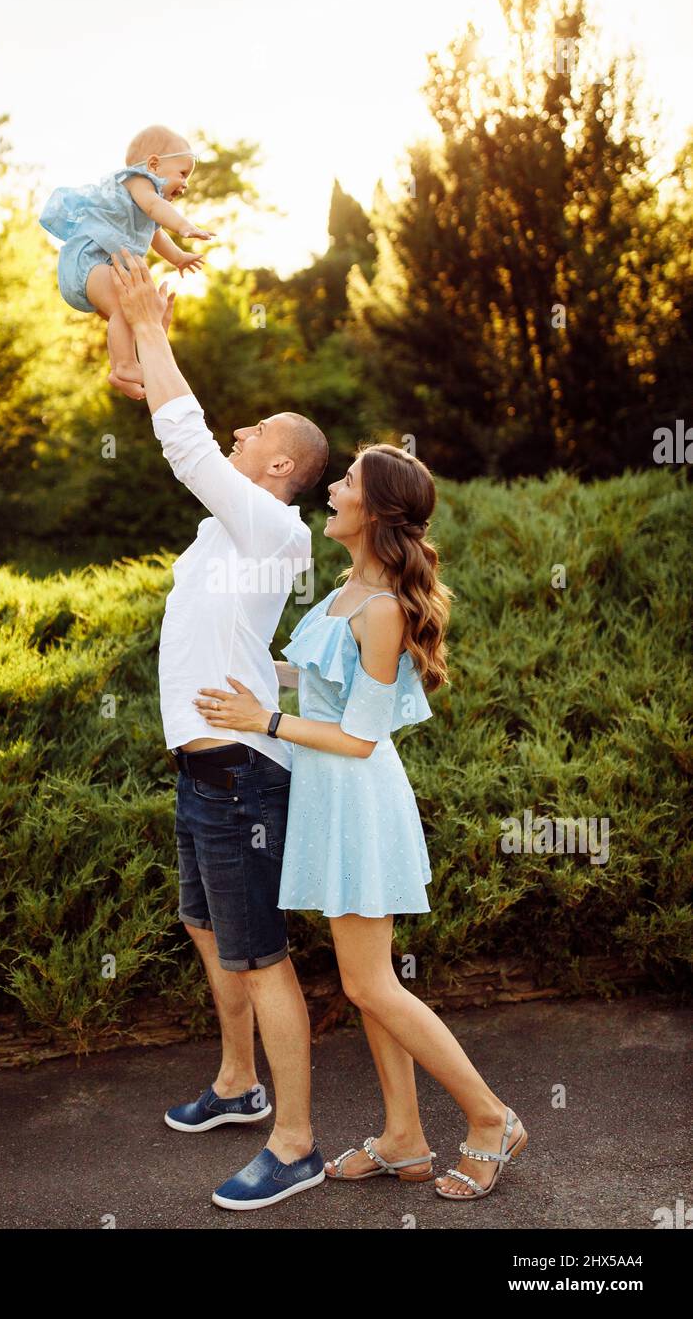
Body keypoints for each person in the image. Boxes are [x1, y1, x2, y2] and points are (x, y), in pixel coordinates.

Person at [193, 440, 530, 1203]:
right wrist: (252, 673)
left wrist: (264, 719)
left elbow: (360, 734)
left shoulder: (381, 610)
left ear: (375, 511)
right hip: (329, 797)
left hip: (359, 800)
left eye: (346, 482)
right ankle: (404, 1138)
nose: (334, 489)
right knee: (367, 984)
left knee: (372, 985)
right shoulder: (348, 587)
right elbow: (320, 685)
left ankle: (490, 1118)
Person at [110, 250, 333, 1211]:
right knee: (206, 931)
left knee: (261, 954)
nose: (236, 431)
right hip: (201, 774)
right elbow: (155, 401)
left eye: (255, 434)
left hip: (244, 774)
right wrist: (133, 327)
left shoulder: (276, 531)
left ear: (278, 467)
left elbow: (190, 442)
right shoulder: (223, 528)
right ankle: (240, 1086)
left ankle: (297, 1143)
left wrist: (157, 322)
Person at [39, 124, 214, 392]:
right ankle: (124, 364)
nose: (186, 183)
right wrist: (184, 226)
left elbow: (157, 237)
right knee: (125, 306)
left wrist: (178, 257)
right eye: (183, 173)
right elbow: (157, 206)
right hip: (89, 261)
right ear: (154, 164)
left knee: (131, 316)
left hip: (98, 268)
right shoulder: (139, 181)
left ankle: (126, 376)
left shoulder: (146, 208)